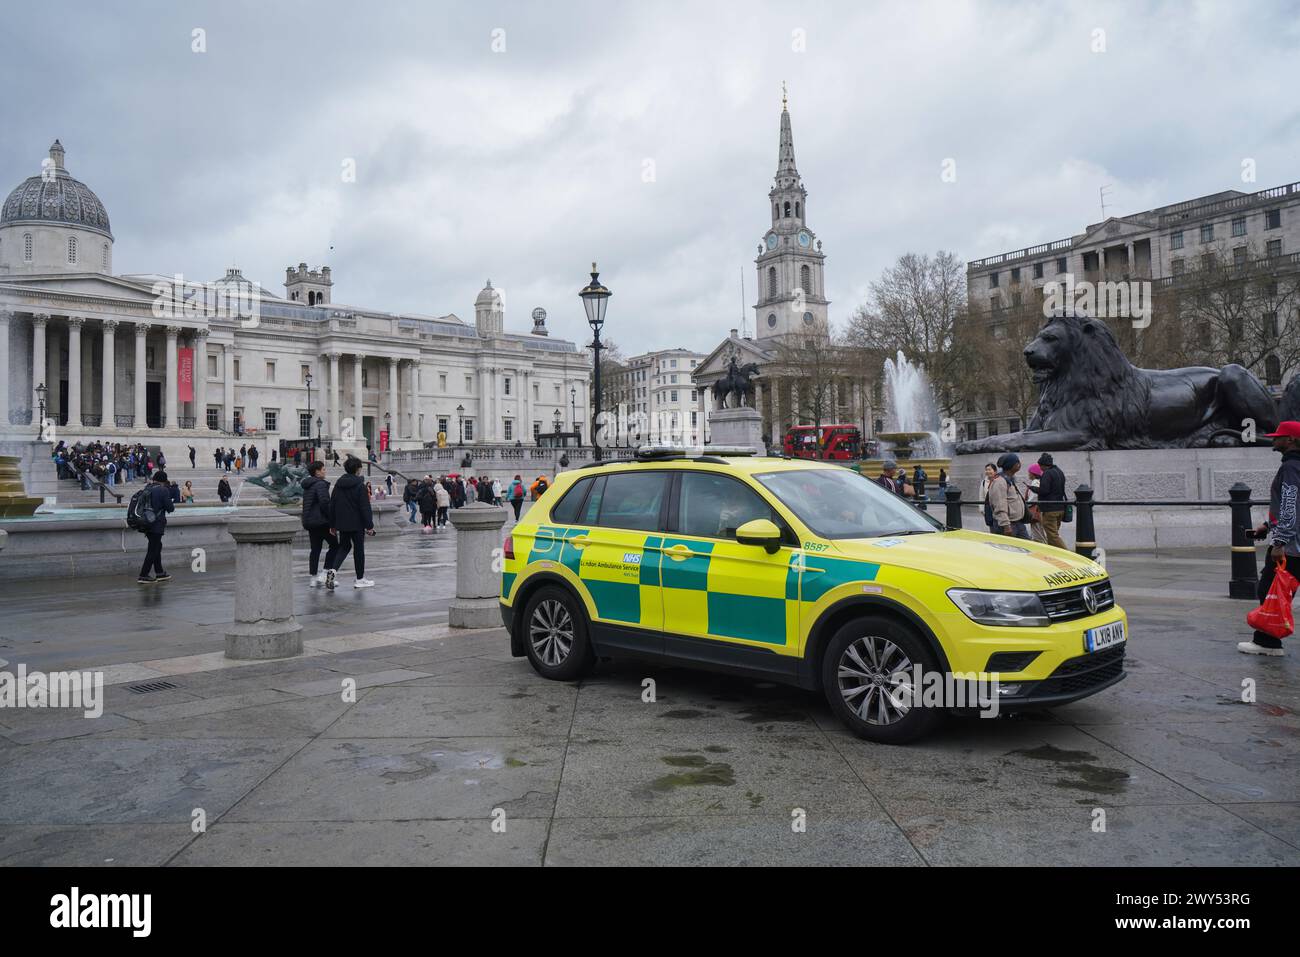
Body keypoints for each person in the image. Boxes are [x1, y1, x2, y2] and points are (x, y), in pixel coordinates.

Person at [1242, 421, 1300, 656]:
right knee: (1275, 591)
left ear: (1291, 440)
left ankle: (1268, 643)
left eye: (1279, 437)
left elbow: (1290, 504)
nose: (1273, 440)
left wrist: (1279, 542)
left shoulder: (1291, 467)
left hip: (1292, 547)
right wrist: (1267, 526)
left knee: (1270, 590)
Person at [325, 456, 376, 589]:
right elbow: (364, 507)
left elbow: (332, 505)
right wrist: (369, 525)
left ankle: (333, 570)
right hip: (357, 523)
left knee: (344, 547)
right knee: (358, 550)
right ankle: (360, 579)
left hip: (342, 523)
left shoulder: (339, 484)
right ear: (358, 469)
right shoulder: (359, 485)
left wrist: (332, 524)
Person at [300, 461, 339, 587]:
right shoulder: (320, 484)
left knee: (315, 549)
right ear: (317, 472)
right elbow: (324, 503)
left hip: (310, 522)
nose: (325, 471)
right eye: (323, 469)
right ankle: (325, 572)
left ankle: (313, 578)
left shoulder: (308, 485)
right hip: (322, 522)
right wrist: (332, 520)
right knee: (335, 546)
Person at [137, 469, 176, 584]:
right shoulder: (163, 490)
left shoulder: (147, 488)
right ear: (163, 481)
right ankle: (143, 575)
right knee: (153, 549)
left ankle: (159, 573)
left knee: (157, 546)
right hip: (157, 523)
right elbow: (170, 508)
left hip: (146, 522)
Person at [988, 453, 1031, 539]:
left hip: (1018, 523)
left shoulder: (1010, 479)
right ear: (1012, 465)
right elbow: (999, 505)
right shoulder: (1000, 482)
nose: (1020, 464)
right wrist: (1006, 525)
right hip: (1008, 525)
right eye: (1017, 462)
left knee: (1027, 547)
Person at [1036, 453, 1068, 549]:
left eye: (1040, 466)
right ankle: (1055, 555)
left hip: (1050, 509)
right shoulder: (1059, 472)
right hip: (1060, 508)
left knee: (1053, 536)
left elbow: (1044, 491)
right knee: (1053, 534)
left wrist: (1033, 488)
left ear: (1044, 465)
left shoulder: (1047, 473)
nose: (1040, 468)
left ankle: (1068, 555)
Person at [1025, 463, 1047, 544]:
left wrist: (1026, 505)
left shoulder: (1035, 483)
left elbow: (1033, 497)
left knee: (1037, 533)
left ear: (1033, 473)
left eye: (1029, 472)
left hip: (1035, 511)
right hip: (1039, 510)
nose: (1028, 474)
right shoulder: (1040, 482)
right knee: (1040, 532)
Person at [979, 462, 999, 533]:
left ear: (995, 471)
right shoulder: (984, 482)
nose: (987, 471)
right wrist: (982, 509)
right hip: (989, 509)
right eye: (986, 470)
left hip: (998, 509)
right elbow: (981, 496)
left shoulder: (999, 481)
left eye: (990, 469)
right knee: (992, 528)